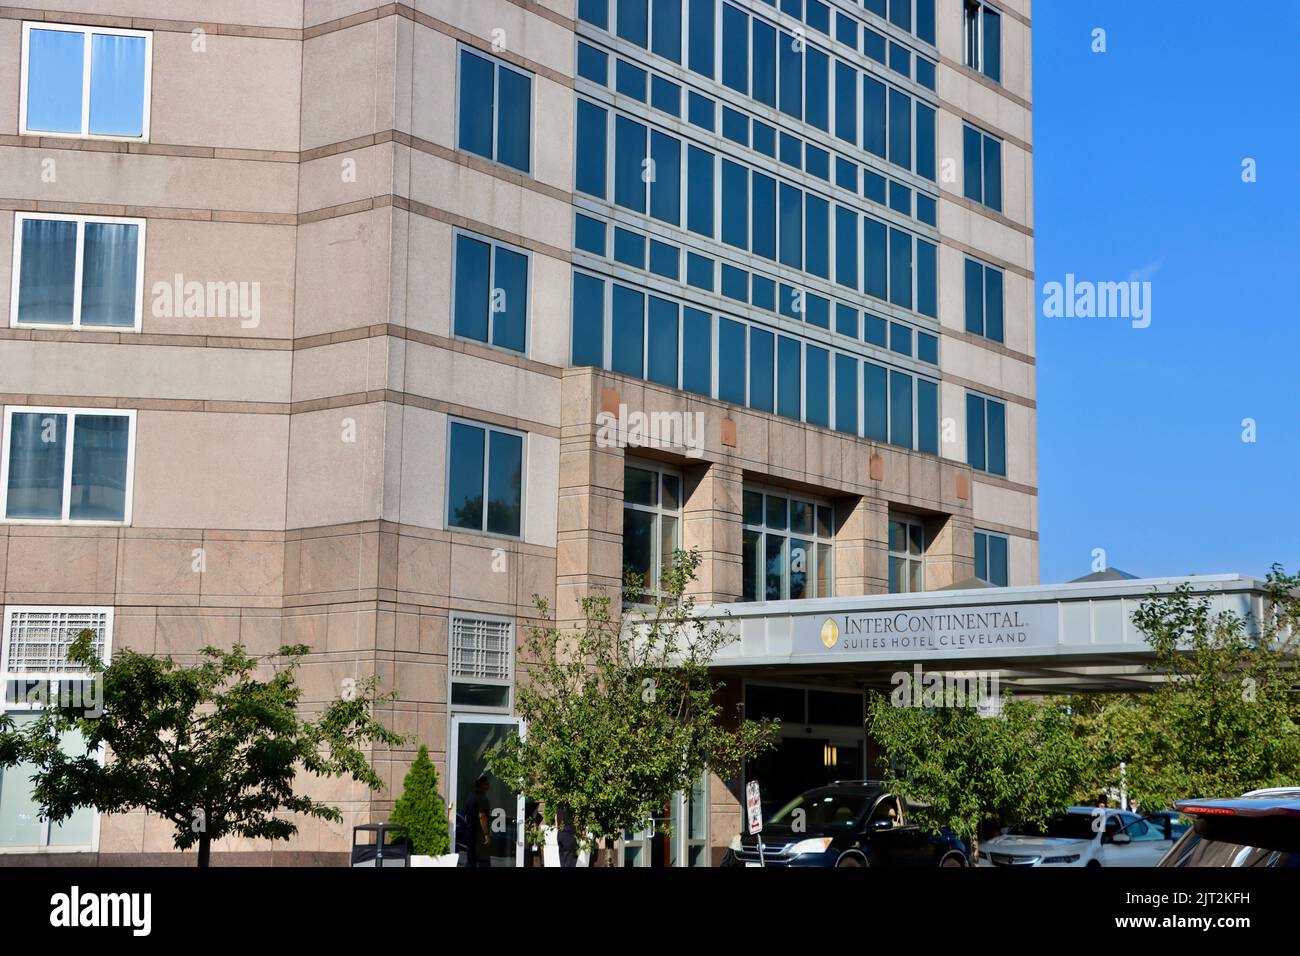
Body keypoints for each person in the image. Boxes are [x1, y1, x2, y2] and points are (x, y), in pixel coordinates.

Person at [466, 775, 493, 868]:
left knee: (471, 861)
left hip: (470, 833)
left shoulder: (470, 797)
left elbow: (466, 815)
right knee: (484, 861)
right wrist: (486, 834)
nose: (489, 785)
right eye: (487, 783)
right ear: (482, 785)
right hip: (480, 836)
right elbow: (482, 816)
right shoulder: (482, 798)